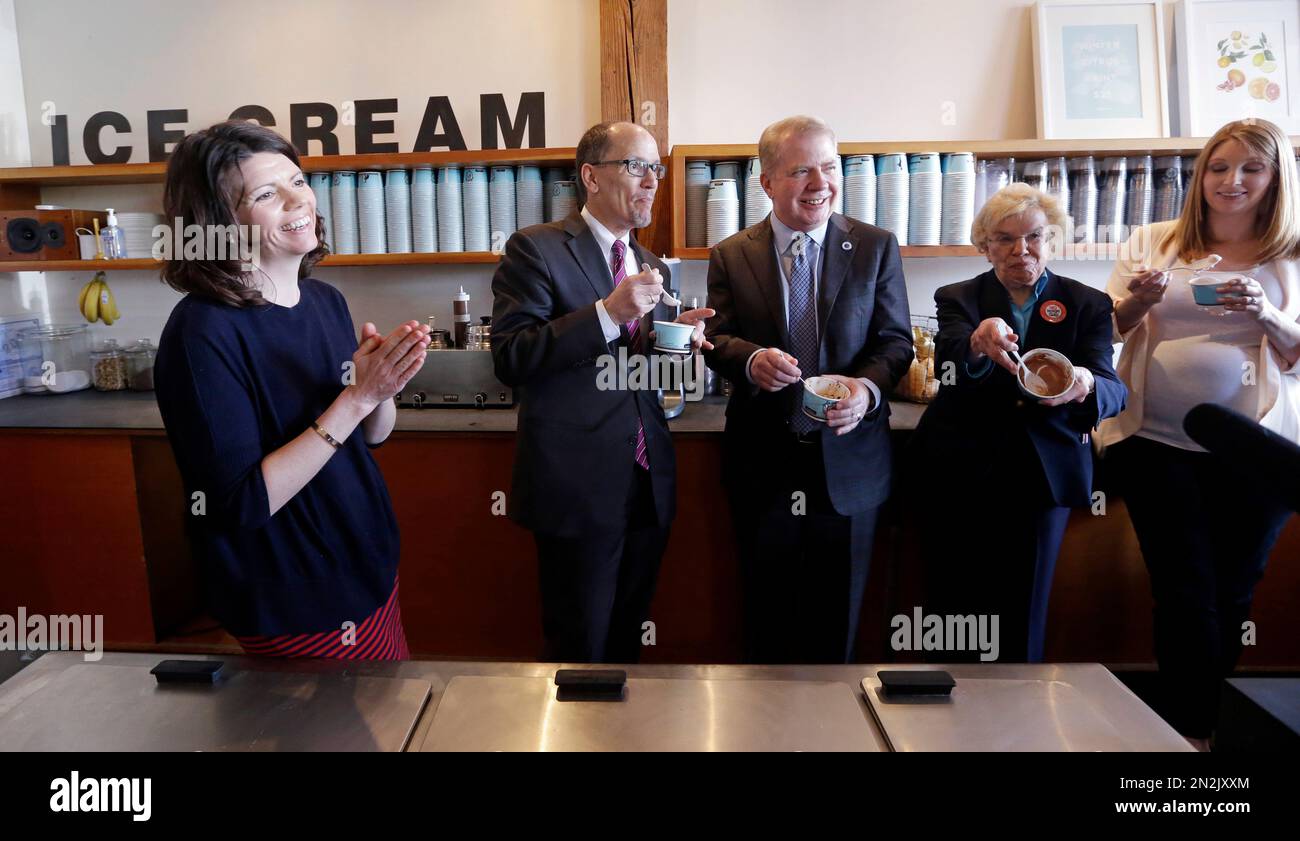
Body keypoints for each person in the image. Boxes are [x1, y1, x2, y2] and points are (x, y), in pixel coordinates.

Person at [154, 120, 430, 659]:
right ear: (219, 223)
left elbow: (371, 437)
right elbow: (240, 504)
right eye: (265, 193)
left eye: (298, 181)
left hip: (366, 563)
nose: (296, 200)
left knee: (386, 724)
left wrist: (379, 389)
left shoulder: (324, 300)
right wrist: (354, 400)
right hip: (295, 591)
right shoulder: (202, 333)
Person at [1099, 118, 1300, 747]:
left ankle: (1213, 726)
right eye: (1218, 167)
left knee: (1234, 589)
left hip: (1259, 453)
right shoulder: (1153, 240)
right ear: (1200, 175)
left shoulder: (1291, 256)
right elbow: (1105, 330)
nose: (1231, 181)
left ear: (1275, 179)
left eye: (1250, 168)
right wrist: (1137, 300)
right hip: (1154, 441)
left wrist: (1265, 313)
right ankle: (1186, 731)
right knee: (1184, 590)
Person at [490, 121, 713, 663]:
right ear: (591, 176)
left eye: (655, 169)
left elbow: (650, 382)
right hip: (577, 484)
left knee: (627, 639)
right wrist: (608, 313)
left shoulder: (653, 266)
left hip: (646, 479)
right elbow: (512, 358)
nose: (651, 181)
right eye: (635, 166)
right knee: (580, 644)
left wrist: (679, 347)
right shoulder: (536, 249)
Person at [704, 115, 913, 664]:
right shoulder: (731, 254)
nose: (820, 183)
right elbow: (718, 337)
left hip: (851, 468)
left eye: (828, 166)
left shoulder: (874, 247)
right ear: (767, 180)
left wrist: (866, 391)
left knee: (836, 627)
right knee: (765, 622)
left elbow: (895, 342)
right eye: (801, 170)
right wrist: (749, 361)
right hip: (763, 464)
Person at [908, 184, 1126, 663]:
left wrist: (1086, 383)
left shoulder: (1087, 303)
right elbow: (948, 363)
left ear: (1052, 241)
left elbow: (1115, 389)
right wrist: (976, 345)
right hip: (960, 470)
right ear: (985, 246)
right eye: (1003, 239)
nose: (1019, 250)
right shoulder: (960, 298)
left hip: (1043, 475)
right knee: (953, 604)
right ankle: (947, 722)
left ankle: (1016, 724)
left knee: (1024, 607)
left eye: (1033, 237)